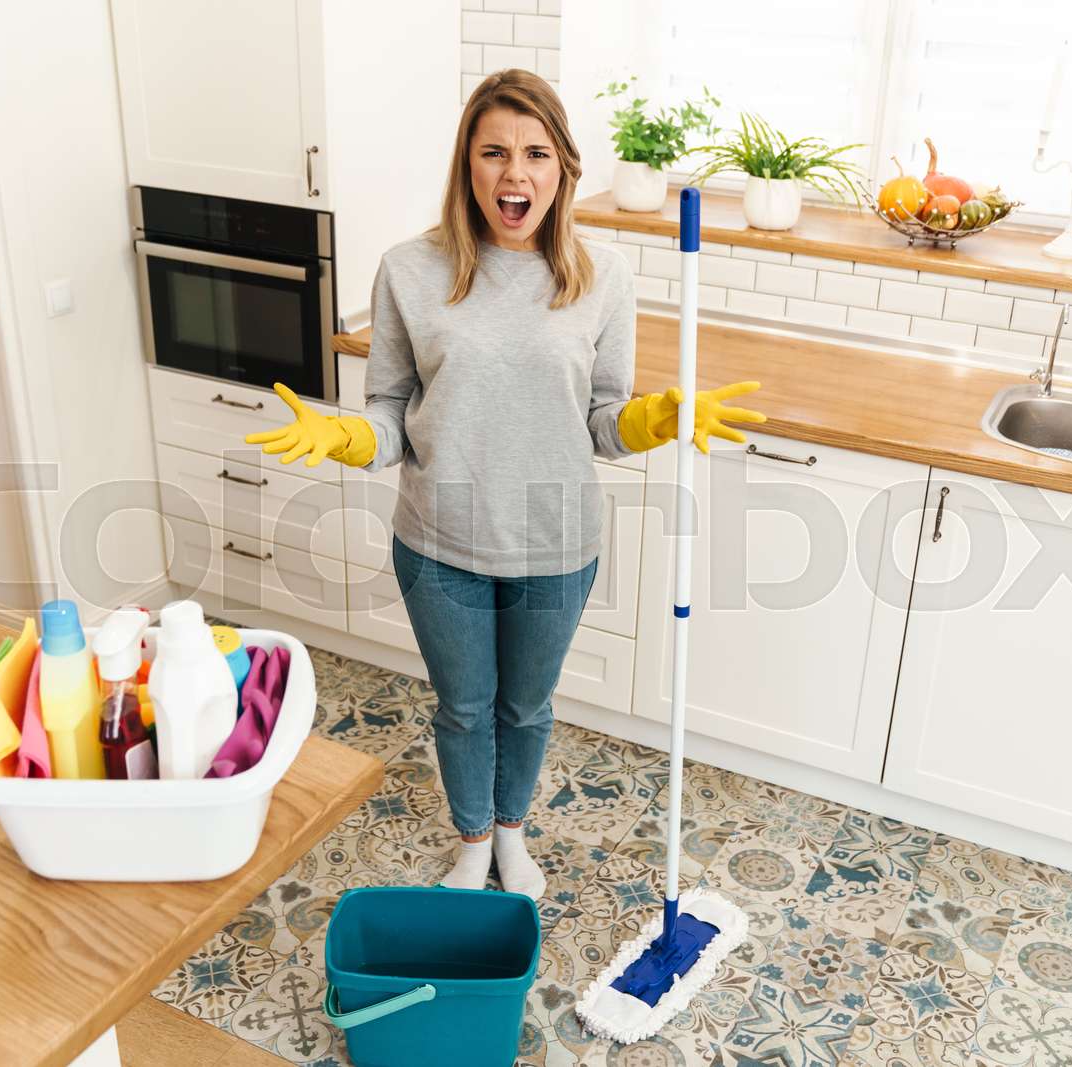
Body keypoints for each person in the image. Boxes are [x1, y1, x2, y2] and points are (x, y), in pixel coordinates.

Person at [244, 68, 764, 898]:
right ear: (467, 165)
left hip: (557, 545)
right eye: (493, 153)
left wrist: (649, 421)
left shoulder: (602, 278)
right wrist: (345, 434)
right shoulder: (409, 270)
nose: (513, 174)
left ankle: (513, 835)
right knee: (463, 708)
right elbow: (387, 412)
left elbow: (602, 420)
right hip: (439, 543)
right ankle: (473, 841)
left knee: (525, 709)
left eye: (534, 153)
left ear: (562, 167)